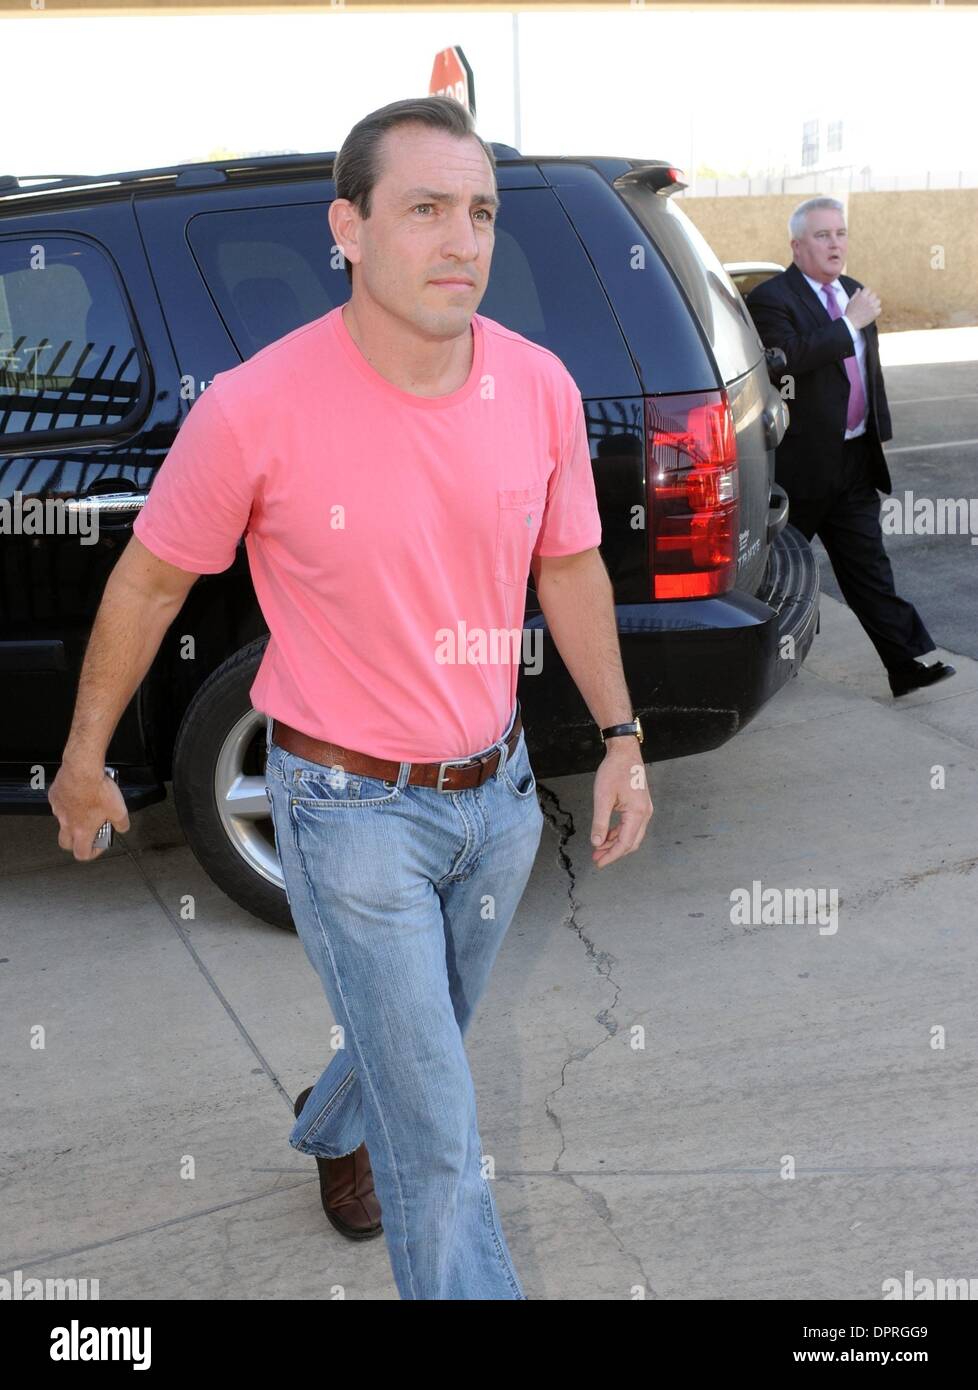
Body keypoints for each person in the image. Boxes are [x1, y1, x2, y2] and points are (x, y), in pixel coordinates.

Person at [47, 95, 653, 1300]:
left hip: (501, 802)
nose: (462, 239)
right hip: (348, 812)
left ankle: (333, 1121)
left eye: (479, 212)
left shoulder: (535, 387)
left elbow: (570, 561)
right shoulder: (256, 408)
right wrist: (82, 756)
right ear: (350, 228)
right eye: (425, 208)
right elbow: (150, 580)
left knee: (419, 1037)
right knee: (436, 1136)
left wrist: (626, 736)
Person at [745, 196, 954, 698]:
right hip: (800, 468)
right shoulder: (773, 299)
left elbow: (866, 372)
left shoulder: (855, 294)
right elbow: (782, 360)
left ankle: (903, 665)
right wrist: (846, 325)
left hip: (854, 460)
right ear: (797, 246)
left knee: (868, 569)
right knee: (771, 577)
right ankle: (750, 674)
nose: (835, 243)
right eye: (822, 235)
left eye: (840, 233)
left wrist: (874, 428)